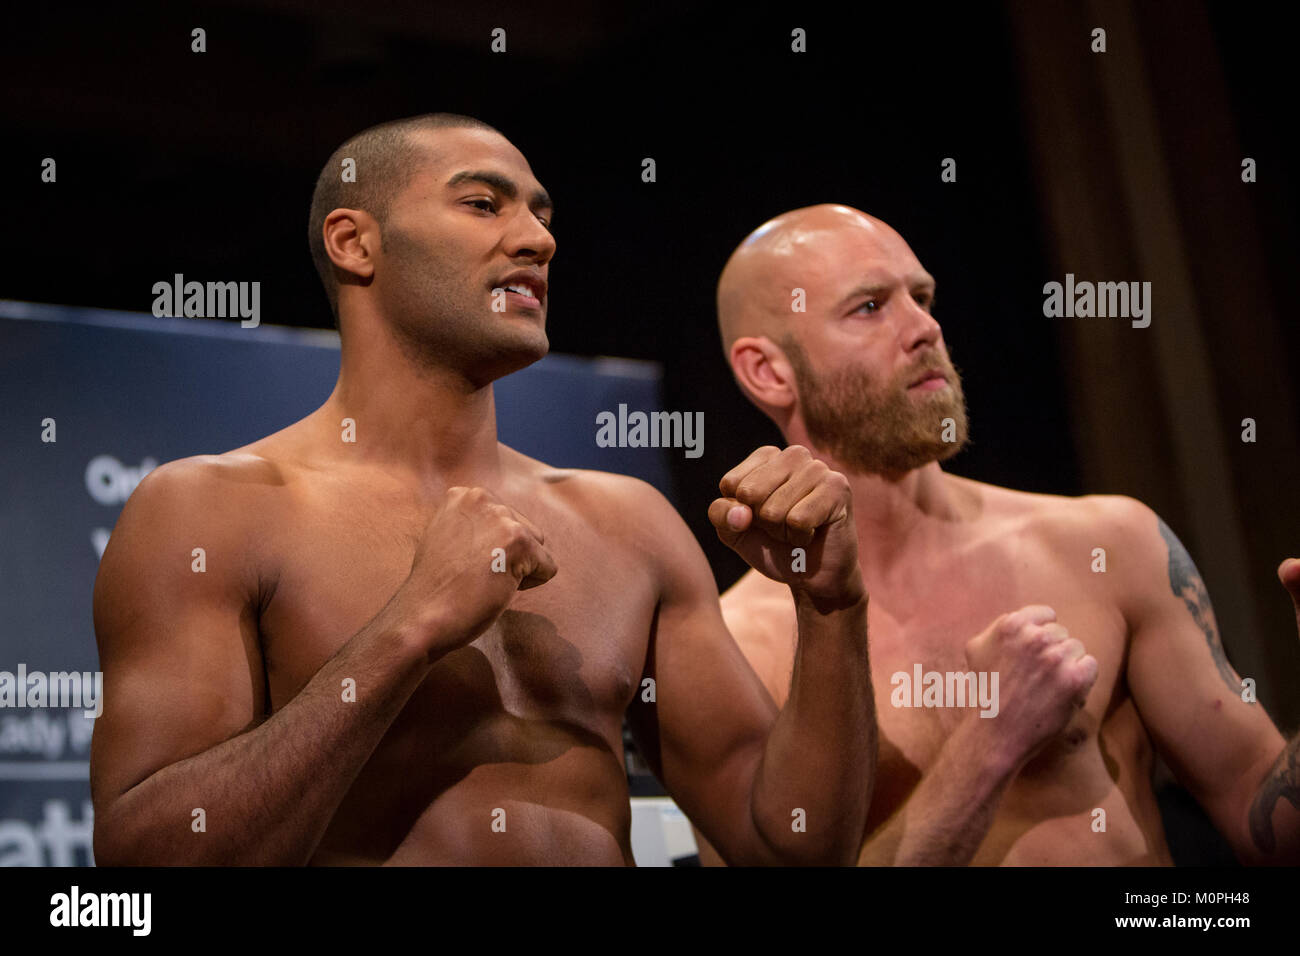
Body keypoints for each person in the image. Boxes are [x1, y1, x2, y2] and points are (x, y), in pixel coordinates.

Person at [88, 117, 876, 866]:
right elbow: (152, 855)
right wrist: (409, 628)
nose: (538, 239)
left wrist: (834, 609)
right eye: (482, 203)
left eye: (542, 215)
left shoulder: (628, 522)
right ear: (354, 243)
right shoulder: (214, 510)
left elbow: (794, 847)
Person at [695, 202, 1300, 865]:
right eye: (870, 307)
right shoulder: (738, 649)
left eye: (921, 297)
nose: (925, 328)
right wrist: (991, 740)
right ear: (768, 371)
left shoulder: (1109, 546)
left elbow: (1265, 824)